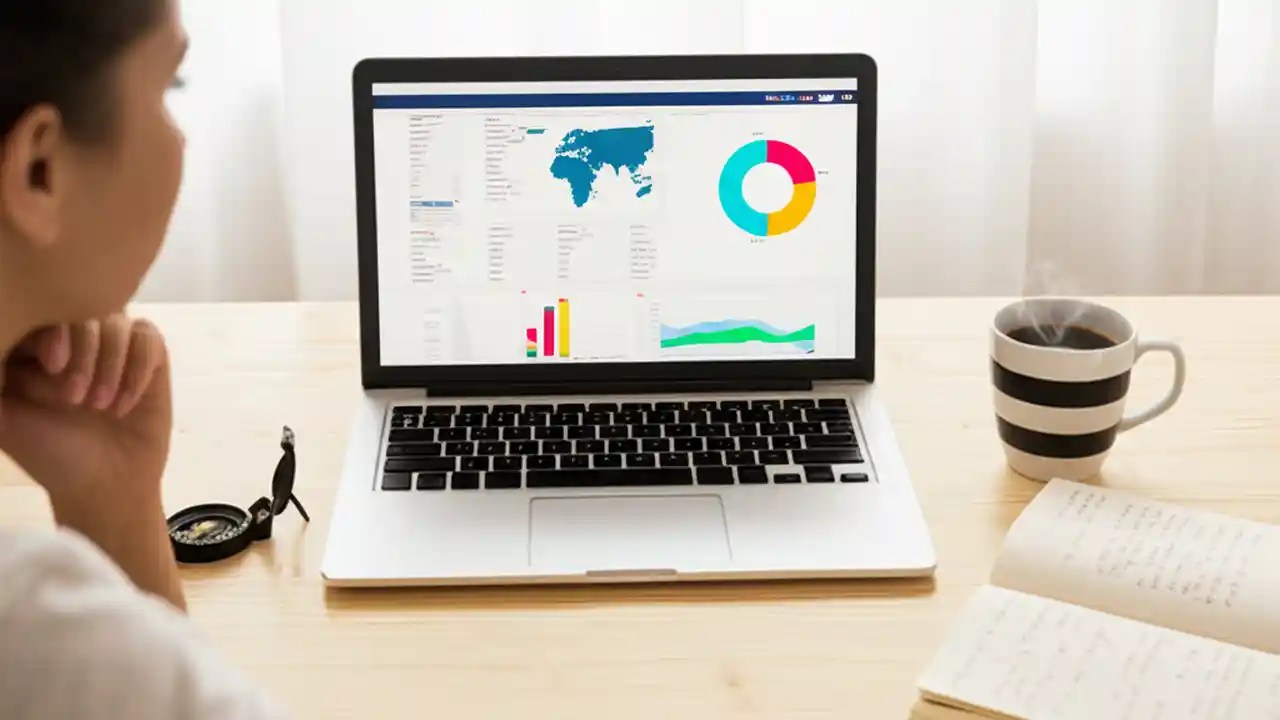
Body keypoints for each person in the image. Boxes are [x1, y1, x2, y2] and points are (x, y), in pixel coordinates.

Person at [0, 2, 289, 717]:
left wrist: (114, 502)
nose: (180, 137)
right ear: (39, 169)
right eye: (171, 87)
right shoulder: (44, 637)